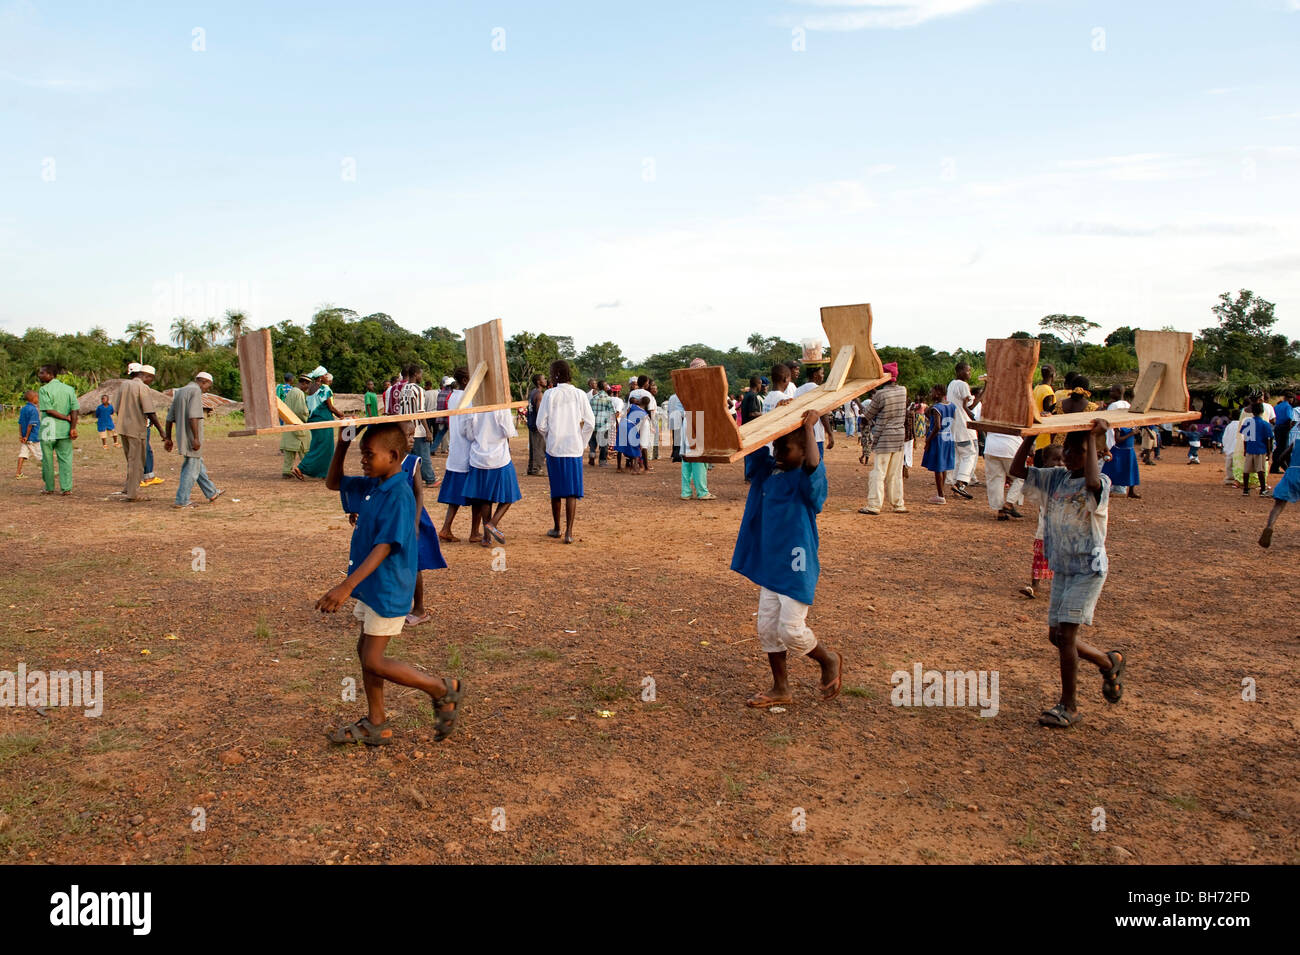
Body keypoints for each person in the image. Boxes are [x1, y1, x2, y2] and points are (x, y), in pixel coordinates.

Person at [318, 422, 461, 746]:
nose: (363, 461)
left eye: (369, 455)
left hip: (389, 587)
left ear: (393, 456)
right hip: (372, 586)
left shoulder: (397, 494)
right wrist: (342, 444)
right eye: (361, 455)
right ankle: (377, 722)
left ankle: (441, 690)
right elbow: (333, 482)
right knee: (364, 650)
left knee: (373, 659)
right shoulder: (374, 484)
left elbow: (384, 547)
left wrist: (344, 587)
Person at [1010, 421, 1125, 729]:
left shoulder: (1100, 482)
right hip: (1062, 567)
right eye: (1069, 449)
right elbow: (1018, 470)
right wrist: (1029, 438)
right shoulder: (1057, 479)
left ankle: (1069, 706)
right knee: (1056, 636)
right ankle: (1107, 661)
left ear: (1097, 454)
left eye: (1081, 451)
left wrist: (1090, 436)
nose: (1071, 455)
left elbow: (1090, 481)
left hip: (1087, 568)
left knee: (1066, 637)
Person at [732, 409, 842, 708]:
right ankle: (781, 687)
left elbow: (814, 464)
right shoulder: (768, 473)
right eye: (777, 446)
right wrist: (760, 424)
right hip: (772, 563)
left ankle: (827, 658)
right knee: (767, 629)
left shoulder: (806, 481)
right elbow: (752, 450)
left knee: (790, 630)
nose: (779, 453)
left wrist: (810, 426)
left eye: (787, 448)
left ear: (804, 450)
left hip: (796, 562)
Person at [536, 359, 594, 543]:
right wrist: (582, 442)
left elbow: (540, 424)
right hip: (574, 448)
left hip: (555, 448)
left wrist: (549, 438)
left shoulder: (550, 394)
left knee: (556, 491)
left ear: (555, 375)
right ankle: (569, 532)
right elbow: (590, 423)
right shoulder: (579, 394)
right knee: (572, 492)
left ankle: (557, 528)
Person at [460, 399, 521, 547]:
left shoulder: (472, 404)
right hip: (499, 457)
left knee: (484, 498)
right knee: (509, 496)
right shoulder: (500, 404)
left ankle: (486, 538)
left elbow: (468, 434)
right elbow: (508, 431)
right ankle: (492, 525)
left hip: (478, 456)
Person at [163, 372, 223, 508]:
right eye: (208, 386)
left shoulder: (180, 391)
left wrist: (168, 438)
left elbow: (169, 418)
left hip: (182, 436)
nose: (208, 389)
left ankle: (211, 492)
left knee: (197, 463)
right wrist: (196, 438)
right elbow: (194, 416)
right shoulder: (195, 391)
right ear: (203, 382)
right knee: (191, 467)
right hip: (191, 437)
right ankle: (182, 500)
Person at [858, 362, 907, 515]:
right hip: (899, 436)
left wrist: (861, 409)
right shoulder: (903, 391)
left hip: (885, 437)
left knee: (878, 473)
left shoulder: (881, 394)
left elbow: (867, 415)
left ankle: (874, 505)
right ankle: (898, 504)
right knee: (895, 473)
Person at [1020, 443, 1065, 597]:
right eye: (1056, 460)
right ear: (1045, 462)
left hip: (1064, 531)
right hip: (1045, 528)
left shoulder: (1067, 477)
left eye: (1062, 460)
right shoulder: (1044, 478)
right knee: (1040, 557)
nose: (1060, 464)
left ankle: (1061, 587)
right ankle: (1035, 585)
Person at [112, 364, 160, 500]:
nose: (151, 381)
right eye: (151, 378)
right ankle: (133, 494)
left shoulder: (123, 385)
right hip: (137, 429)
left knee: (130, 459)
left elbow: (116, 407)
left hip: (123, 427)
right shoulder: (142, 387)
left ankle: (128, 487)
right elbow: (150, 411)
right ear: (146, 376)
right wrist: (162, 431)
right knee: (137, 461)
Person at [437, 367, 474, 542]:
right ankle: (474, 532)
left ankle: (447, 528)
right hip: (467, 451)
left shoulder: (453, 397)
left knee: (455, 497)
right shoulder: (469, 398)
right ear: (466, 381)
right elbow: (469, 427)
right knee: (478, 494)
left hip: (456, 451)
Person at [35, 366, 79, 497]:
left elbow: (48, 410)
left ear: (50, 375)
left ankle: (49, 487)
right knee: (65, 459)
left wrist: (65, 417)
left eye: (42, 373)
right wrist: (73, 427)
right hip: (65, 429)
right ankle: (66, 488)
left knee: (47, 460)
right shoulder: (69, 389)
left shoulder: (44, 390)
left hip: (48, 430)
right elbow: (74, 410)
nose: (39, 375)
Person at [294, 368, 342, 479]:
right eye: (325, 375)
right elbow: (330, 407)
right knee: (325, 447)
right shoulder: (325, 388)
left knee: (317, 445)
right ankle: (301, 468)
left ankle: (324, 473)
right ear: (320, 377)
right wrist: (341, 415)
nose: (327, 376)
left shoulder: (310, 388)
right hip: (323, 420)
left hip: (313, 420)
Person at [1260, 420, 1300, 547]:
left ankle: (1270, 526)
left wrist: (1289, 469)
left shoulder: (1295, 443)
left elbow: (1280, 458)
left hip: (1291, 472)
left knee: (1279, 505)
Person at [946, 362, 978, 499]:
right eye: (968, 371)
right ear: (960, 371)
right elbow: (971, 406)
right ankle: (960, 483)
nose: (969, 373)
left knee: (959, 457)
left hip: (955, 426)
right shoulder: (963, 385)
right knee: (970, 454)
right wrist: (985, 391)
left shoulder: (952, 384)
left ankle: (955, 484)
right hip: (964, 426)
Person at [921, 384, 956, 504]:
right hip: (948, 439)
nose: (930, 394)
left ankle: (940, 495)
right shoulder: (951, 406)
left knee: (937, 468)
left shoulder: (937, 409)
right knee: (943, 466)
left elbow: (937, 426)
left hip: (938, 440)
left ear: (938, 393)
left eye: (932, 392)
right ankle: (941, 492)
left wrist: (928, 440)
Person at [983, 430, 1026, 521]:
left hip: (991, 445)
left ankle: (1001, 511)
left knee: (996, 479)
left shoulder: (989, 414)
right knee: (1022, 476)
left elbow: (978, 421)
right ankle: (1009, 503)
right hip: (1011, 446)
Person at [280, 375, 311, 478]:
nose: (308, 388)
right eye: (307, 385)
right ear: (304, 383)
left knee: (289, 450)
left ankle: (286, 471)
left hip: (289, 423)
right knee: (304, 448)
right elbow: (301, 410)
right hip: (298, 423)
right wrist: (308, 418)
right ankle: (306, 469)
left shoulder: (291, 392)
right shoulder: (299, 393)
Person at [1240, 402, 1273, 497]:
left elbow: (1245, 437)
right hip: (1261, 449)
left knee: (1246, 470)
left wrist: (1245, 449)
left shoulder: (1247, 422)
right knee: (1260, 470)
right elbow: (1268, 439)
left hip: (1250, 448)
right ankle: (1263, 490)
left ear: (1252, 412)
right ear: (1262, 411)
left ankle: (1245, 490)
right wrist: (1269, 451)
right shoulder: (1265, 424)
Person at [615, 394, 651, 474]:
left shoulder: (632, 406)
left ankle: (618, 467)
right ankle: (634, 469)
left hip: (623, 424)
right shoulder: (645, 414)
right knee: (635, 447)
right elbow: (642, 427)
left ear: (640, 400)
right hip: (631, 427)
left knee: (620, 447)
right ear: (647, 404)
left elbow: (625, 414)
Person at [1032, 365, 1057, 466]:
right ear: (1053, 375)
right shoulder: (1048, 391)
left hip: (1037, 434)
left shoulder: (1037, 387)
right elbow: (1048, 410)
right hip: (1045, 437)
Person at [526, 373, 548, 477]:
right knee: (539, 448)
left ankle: (531, 468)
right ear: (539, 382)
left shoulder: (532, 392)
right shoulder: (539, 394)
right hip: (536, 424)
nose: (546, 380)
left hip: (531, 423)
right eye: (544, 379)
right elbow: (540, 412)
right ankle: (536, 469)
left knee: (534, 447)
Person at [15, 390, 41, 479]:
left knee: (22, 454)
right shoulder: (34, 410)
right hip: (33, 437)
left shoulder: (24, 409)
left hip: (25, 438)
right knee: (42, 455)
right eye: (37, 397)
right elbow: (30, 425)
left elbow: (21, 423)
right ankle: (49, 472)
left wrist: (21, 436)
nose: (38, 399)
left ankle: (18, 473)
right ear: (33, 399)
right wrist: (26, 436)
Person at [588, 380, 614, 466]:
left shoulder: (593, 399)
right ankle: (602, 461)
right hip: (604, 425)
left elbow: (589, 412)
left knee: (593, 442)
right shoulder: (608, 399)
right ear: (605, 388)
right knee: (603, 444)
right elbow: (611, 413)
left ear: (598, 387)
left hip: (594, 424)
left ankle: (592, 454)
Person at [1271, 394, 1293, 474]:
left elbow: (1273, 418)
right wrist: (1290, 426)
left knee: (1280, 447)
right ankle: (1275, 467)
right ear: (1289, 398)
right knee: (1283, 448)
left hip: (1277, 427)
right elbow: (1289, 417)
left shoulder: (1277, 406)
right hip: (1285, 428)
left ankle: (1284, 467)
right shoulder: (1288, 406)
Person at [1221, 417, 1240, 486]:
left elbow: (1225, 437)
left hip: (1230, 449)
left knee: (1229, 466)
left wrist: (1225, 448)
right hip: (1239, 449)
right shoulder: (1242, 424)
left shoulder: (1229, 426)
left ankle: (1230, 478)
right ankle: (1239, 478)